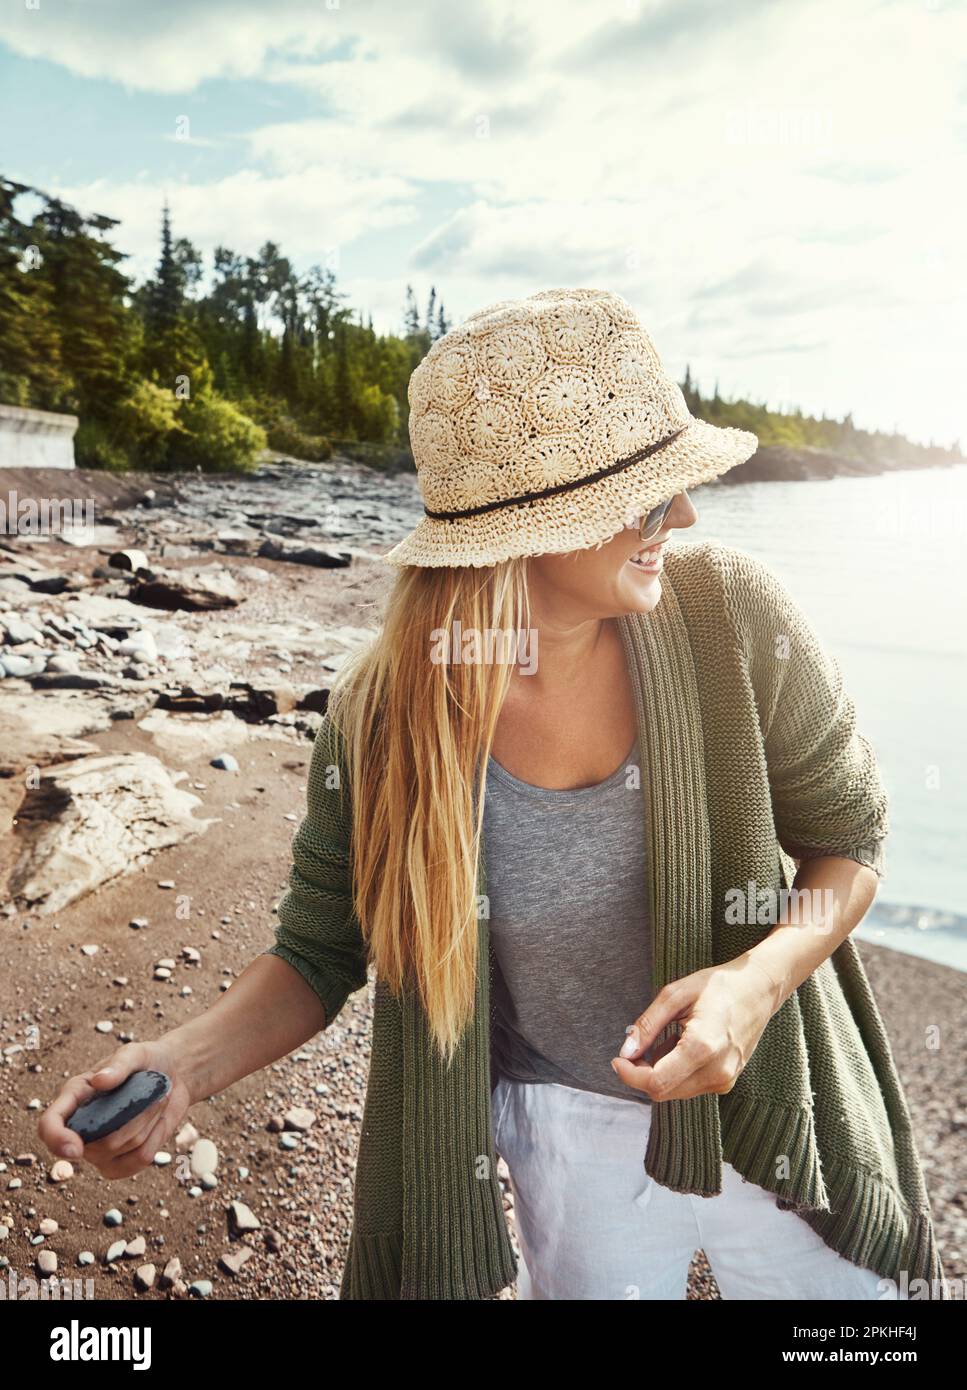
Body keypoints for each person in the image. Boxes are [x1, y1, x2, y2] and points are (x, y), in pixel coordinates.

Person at [39, 288, 946, 1301]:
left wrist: (758, 980)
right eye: (647, 494)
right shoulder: (379, 717)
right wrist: (177, 1067)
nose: (682, 514)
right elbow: (318, 951)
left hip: (770, 1087)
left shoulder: (731, 614)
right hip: (568, 1138)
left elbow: (850, 839)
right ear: (524, 529)